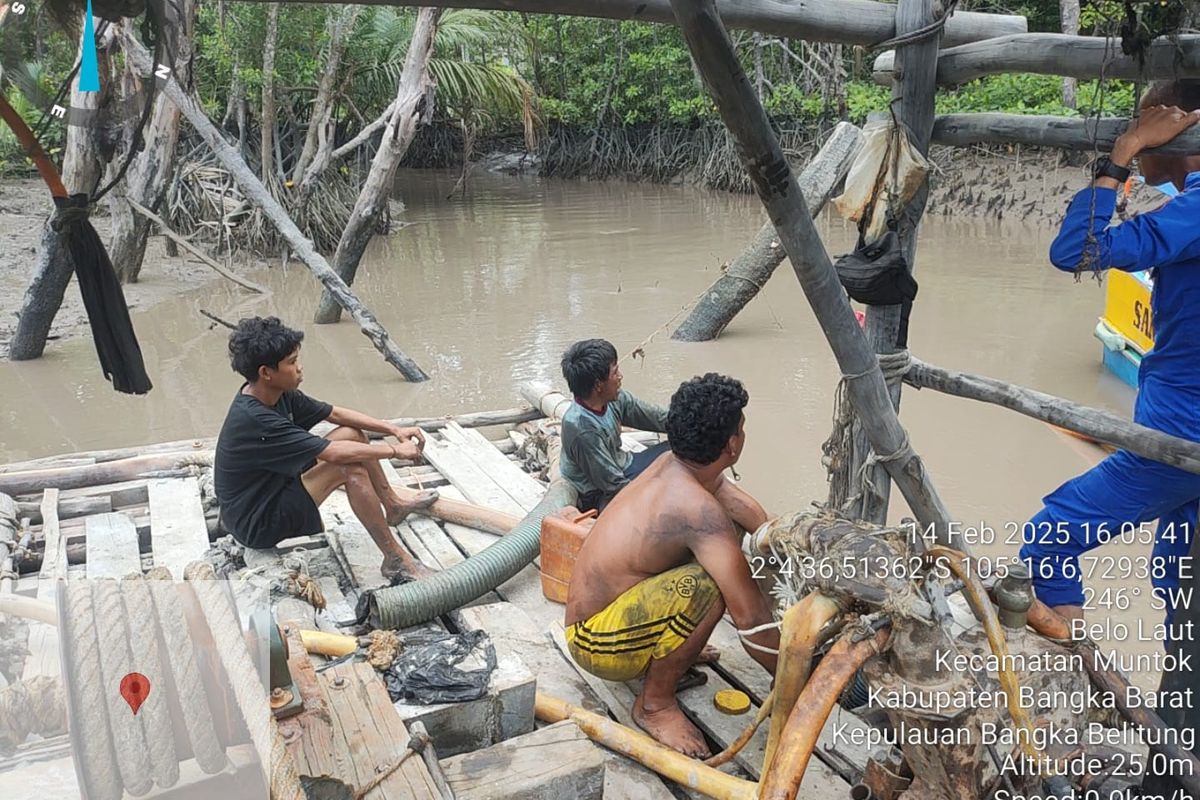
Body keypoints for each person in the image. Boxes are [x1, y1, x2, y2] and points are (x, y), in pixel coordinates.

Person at [1019, 83, 1200, 634]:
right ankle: (1175, 711)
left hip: (1180, 436)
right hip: (1176, 431)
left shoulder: (1192, 213)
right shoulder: (1184, 210)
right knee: (1180, 578)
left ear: (1179, 129)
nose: (1137, 140)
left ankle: (1084, 682)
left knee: (1050, 537)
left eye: (1144, 128)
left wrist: (1118, 159)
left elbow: (1077, 250)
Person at [564, 373, 778, 758]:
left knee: (719, 554)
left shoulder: (675, 464)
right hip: (594, 643)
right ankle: (654, 704)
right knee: (711, 586)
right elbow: (752, 620)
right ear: (732, 444)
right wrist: (794, 677)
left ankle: (673, 651)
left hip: (608, 616)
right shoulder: (695, 511)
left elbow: (742, 506)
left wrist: (782, 543)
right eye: (741, 429)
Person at [214, 317, 438, 581]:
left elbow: (334, 414)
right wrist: (395, 451)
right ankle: (395, 560)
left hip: (273, 487)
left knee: (352, 434)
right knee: (348, 467)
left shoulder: (274, 393)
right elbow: (333, 454)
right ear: (266, 373)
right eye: (292, 362)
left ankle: (393, 504)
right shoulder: (257, 419)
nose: (299, 368)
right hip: (257, 521)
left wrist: (393, 429)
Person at [559, 339, 672, 512]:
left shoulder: (614, 399)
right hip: (598, 491)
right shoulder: (582, 428)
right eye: (615, 372)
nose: (620, 376)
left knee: (683, 448)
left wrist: (697, 423)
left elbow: (660, 418)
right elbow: (612, 484)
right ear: (598, 385)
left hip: (622, 464)